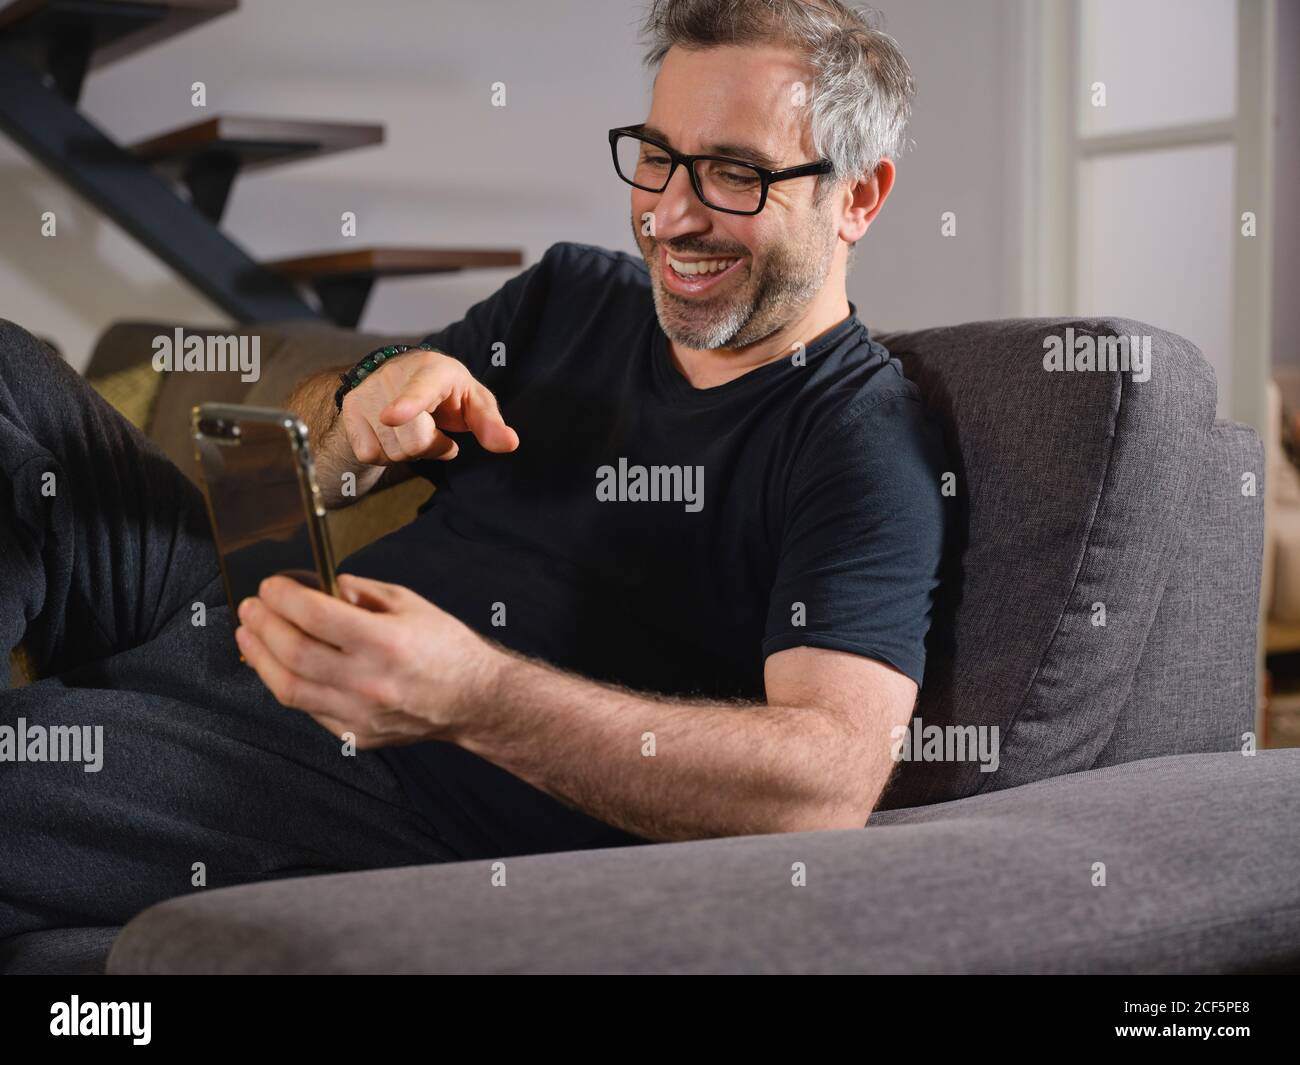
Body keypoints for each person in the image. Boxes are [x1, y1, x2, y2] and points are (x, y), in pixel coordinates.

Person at [0, 0, 948, 948]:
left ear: (859, 198)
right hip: (260, 615)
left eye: (735, 174)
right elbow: (286, 477)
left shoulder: (861, 445)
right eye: (658, 156)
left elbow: (826, 783)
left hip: (387, 779)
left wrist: (472, 699)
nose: (670, 214)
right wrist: (354, 414)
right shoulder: (570, 296)